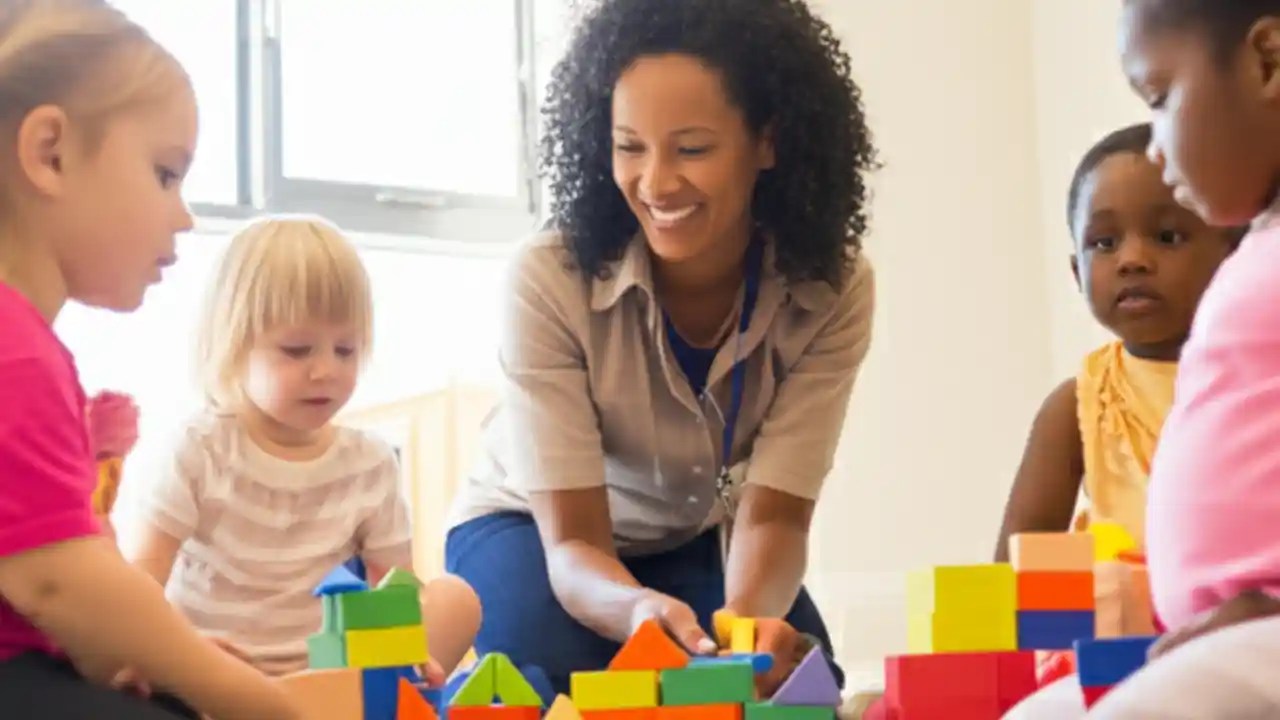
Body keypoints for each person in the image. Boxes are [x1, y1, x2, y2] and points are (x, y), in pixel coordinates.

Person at [445, 0, 877, 697]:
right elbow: (575, 544)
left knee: (802, 676)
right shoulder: (548, 278)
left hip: (689, 542)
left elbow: (774, 514)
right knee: (573, 679)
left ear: (767, 141)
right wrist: (637, 611)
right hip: (534, 534)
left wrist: (745, 626)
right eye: (629, 146)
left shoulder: (832, 288)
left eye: (693, 148)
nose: (656, 182)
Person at [0, 1, 301, 718]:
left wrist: (170, 653)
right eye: (166, 174)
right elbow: (60, 583)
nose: (184, 214)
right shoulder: (14, 351)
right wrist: (247, 697)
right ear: (51, 153)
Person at [128, 217, 482, 680]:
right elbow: (142, 581)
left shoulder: (369, 464)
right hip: (218, 675)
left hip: (329, 676)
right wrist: (179, 649)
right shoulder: (201, 448)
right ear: (234, 346)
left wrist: (409, 645)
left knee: (456, 601)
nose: (325, 371)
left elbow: (394, 586)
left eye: (346, 350)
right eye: (297, 350)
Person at [995, 122, 1240, 719]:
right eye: (1104, 244)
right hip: (1112, 650)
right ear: (1077, 273)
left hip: (1235, 630)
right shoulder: (1074, 405)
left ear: (1234, 253)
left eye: (1166, 235)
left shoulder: (1254, 378)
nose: (1132, 259)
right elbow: (1012, 571)